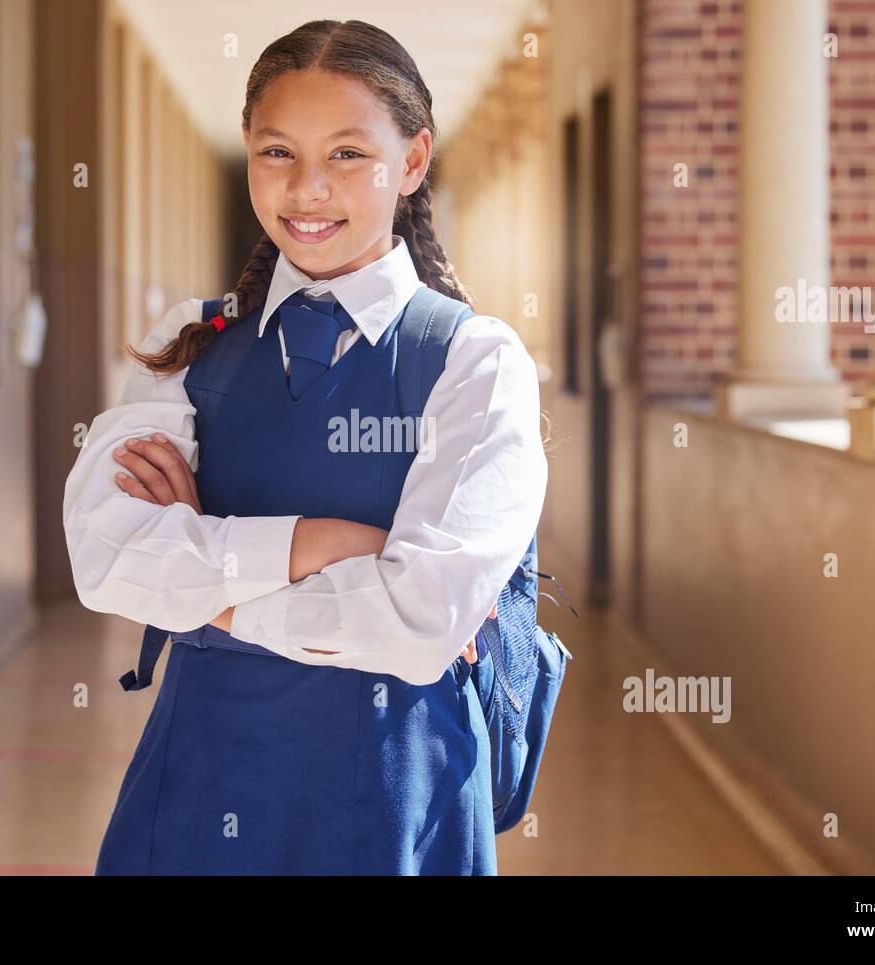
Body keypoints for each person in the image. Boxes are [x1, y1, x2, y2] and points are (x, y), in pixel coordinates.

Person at [62, 19, 547, 874]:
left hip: (399, 794)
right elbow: (104, 555)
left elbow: (419, 622)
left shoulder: (475, 362)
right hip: (196, 781)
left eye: (349, 154)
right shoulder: (190, 340)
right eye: (278, 152)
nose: (308, 188)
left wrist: (207, 585)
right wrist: (320, 544)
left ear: (415, 160)